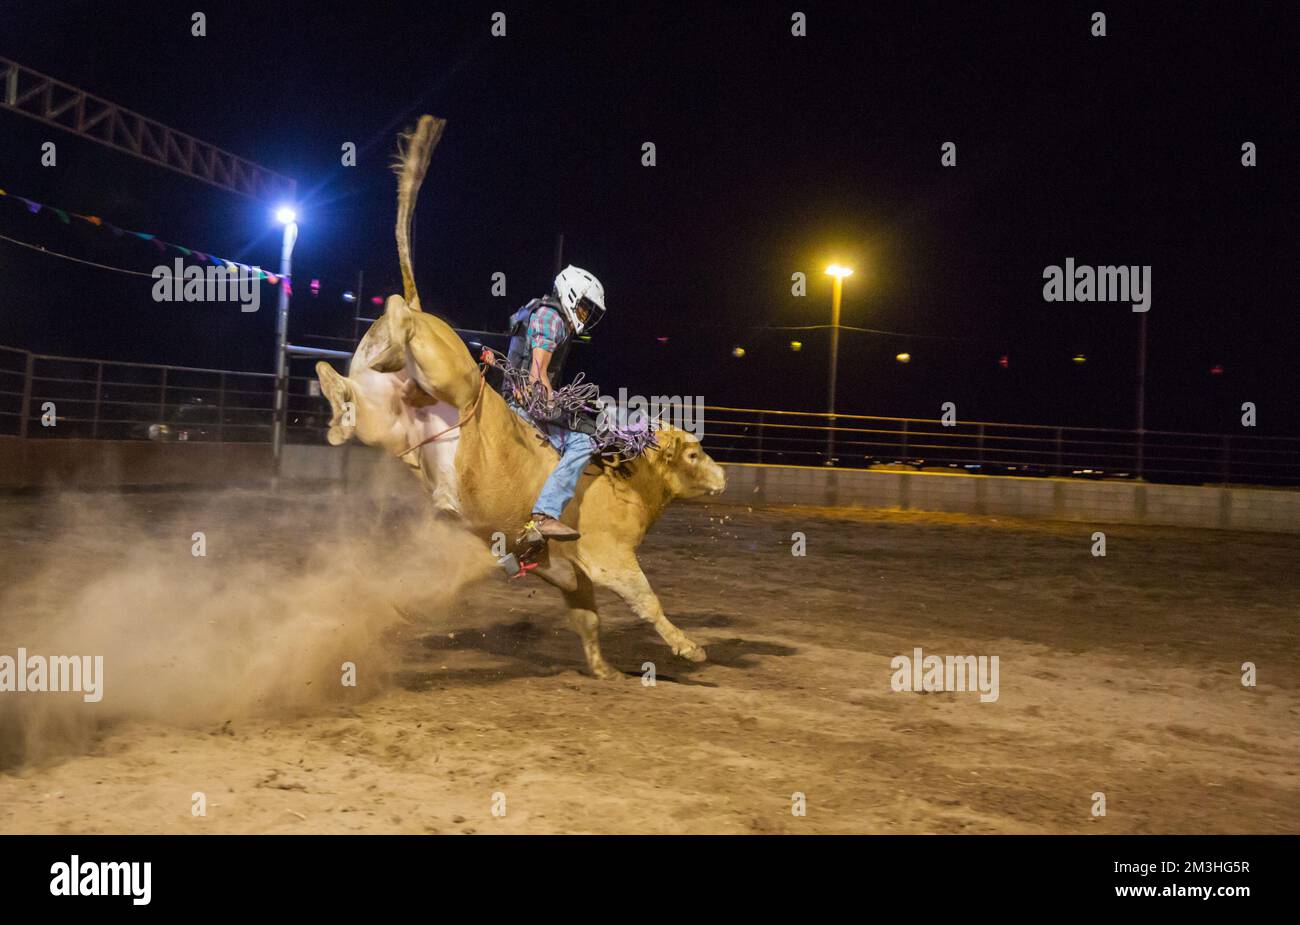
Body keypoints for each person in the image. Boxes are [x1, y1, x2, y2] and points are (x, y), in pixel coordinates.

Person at [497, 265, 607, 541]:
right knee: (584, 441)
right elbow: (537, 376)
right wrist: (561, 412)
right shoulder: (552, 319)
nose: (584, 315)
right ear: (571, 295)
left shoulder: (542, 312)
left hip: (517, 396)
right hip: (521, 402)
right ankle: (545, 515)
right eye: (584, 307)